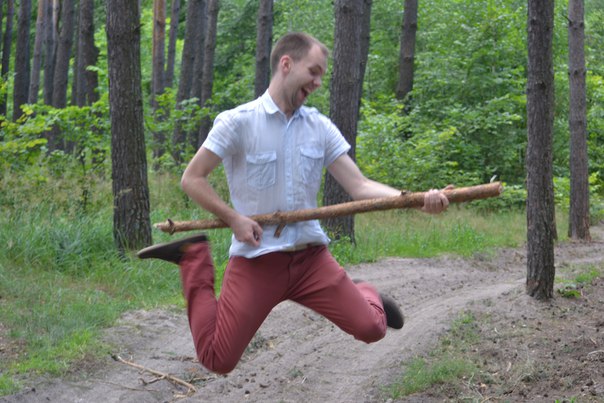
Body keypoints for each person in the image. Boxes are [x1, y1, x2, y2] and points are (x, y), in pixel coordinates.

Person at [138, 32, 449, 375]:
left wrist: (417, 201)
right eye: (313, 72)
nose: (318, 83)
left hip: (310, 260)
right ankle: (193, 258)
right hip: (257, 261)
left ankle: (363, 292)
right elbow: (192, 179)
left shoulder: (320, 127)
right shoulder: (238, 122)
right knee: (217, 359)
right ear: (286, 64)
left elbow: (359, 185)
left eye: (322, 76)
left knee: (371, 328)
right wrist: (234, 218)